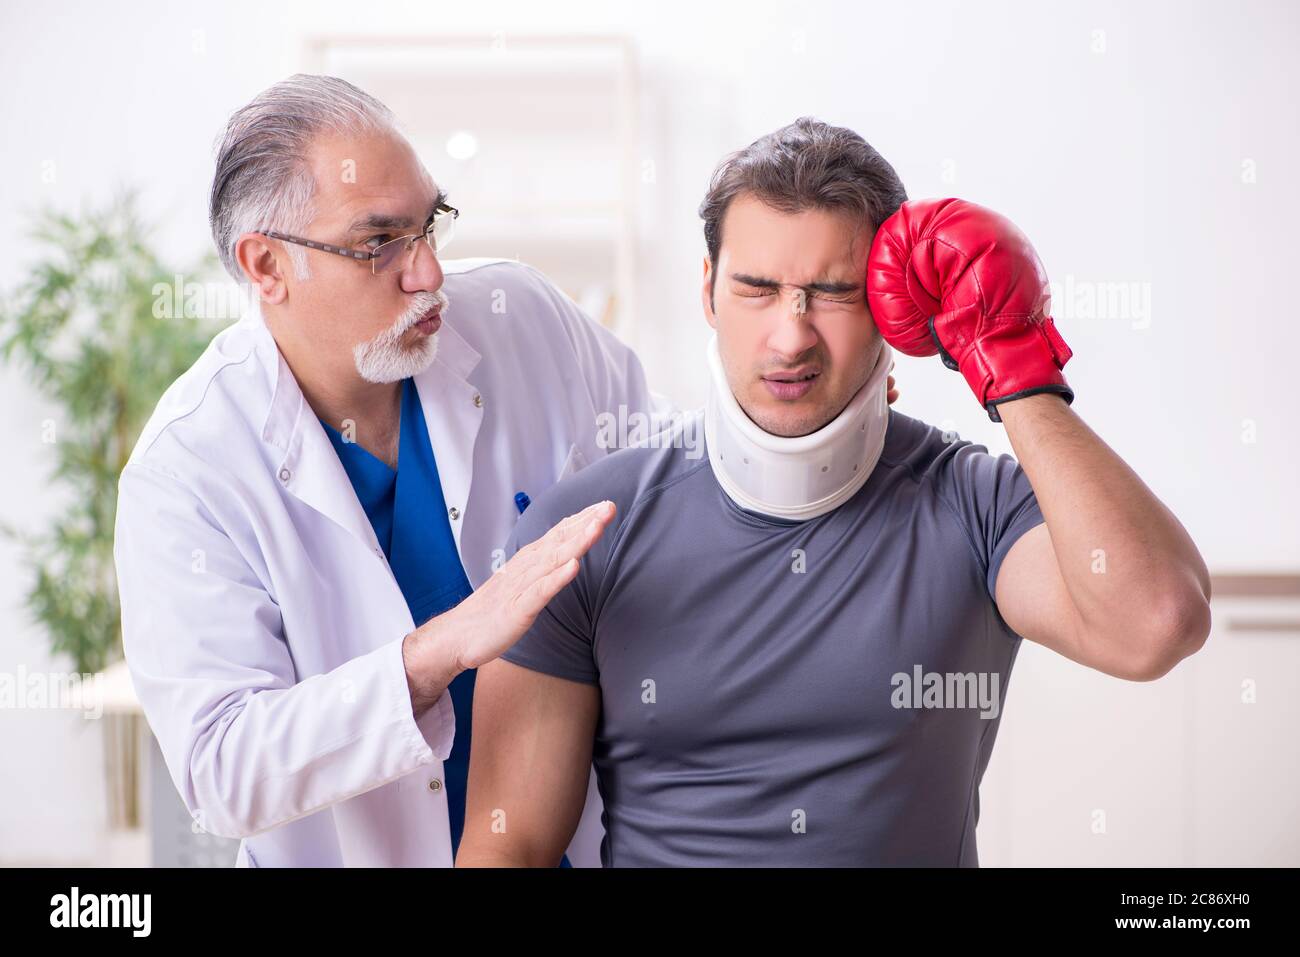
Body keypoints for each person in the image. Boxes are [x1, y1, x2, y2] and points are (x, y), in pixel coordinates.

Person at [457, 117, 1213, 867]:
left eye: (833, 293)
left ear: (896, 305)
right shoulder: (587, 530)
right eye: (756, 288)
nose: (791, 338)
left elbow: (1156, 622)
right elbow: (506, 844)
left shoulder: (973, 502)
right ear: (709, 293)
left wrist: (1013, 364)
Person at [113, 74, 659, 866]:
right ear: (266, 266)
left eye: (428, 225)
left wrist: (811, 422)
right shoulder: (189, 470)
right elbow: (222, 768)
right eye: (379, 244)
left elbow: (672, 460)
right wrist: (437, 651)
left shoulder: (521, 318)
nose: (429, 273)